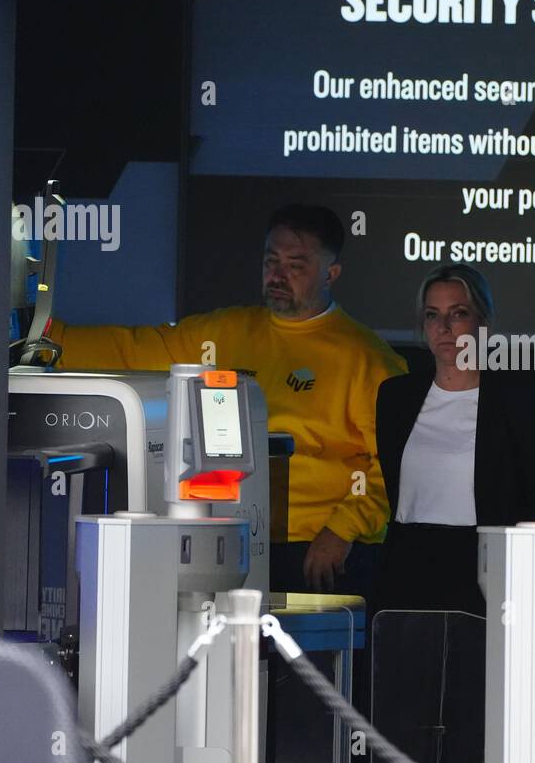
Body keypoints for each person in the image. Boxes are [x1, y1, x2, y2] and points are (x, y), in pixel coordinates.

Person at [48, 203, 407, 599]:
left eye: (296, 265)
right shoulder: (228, 330)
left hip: (318, 549)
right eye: (271, 261)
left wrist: (341, 531)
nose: (278, 275)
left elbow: (395, 464)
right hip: (232, 536)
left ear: (331, 273)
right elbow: (135, 349)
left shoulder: (366, 358)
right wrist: (49, 335)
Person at [370, 265, 535, 763]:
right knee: (402, 715)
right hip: (409, 565)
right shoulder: (395, 397)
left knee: (471, 719)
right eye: (433, 316)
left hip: (485, 569)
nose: (445, 329)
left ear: (484, 322)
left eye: (458, 314)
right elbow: (395, 489)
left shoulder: (521, 401)